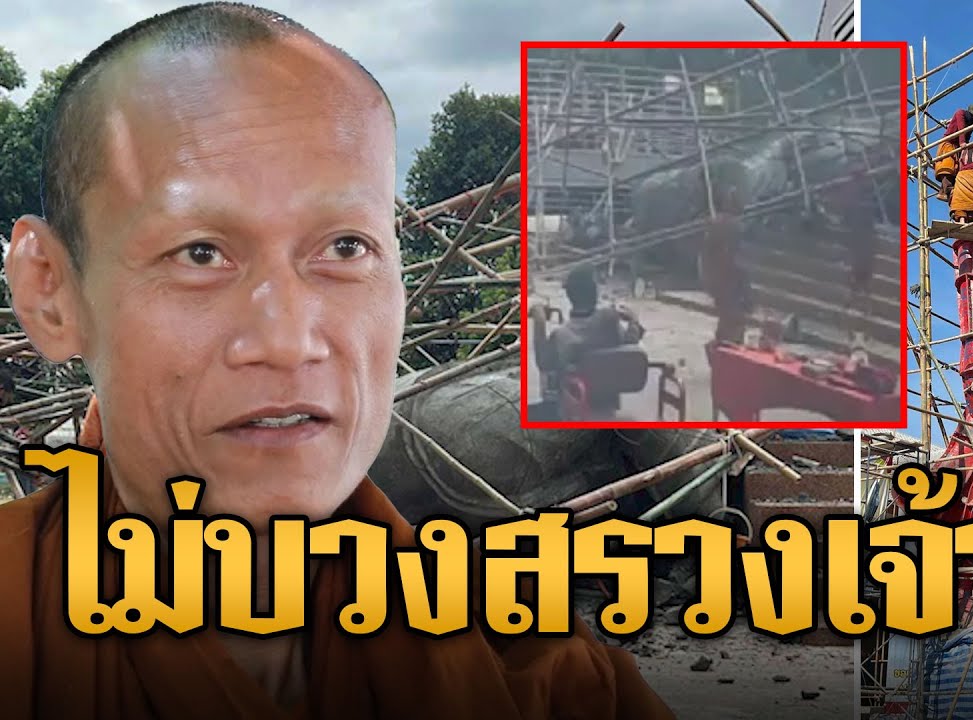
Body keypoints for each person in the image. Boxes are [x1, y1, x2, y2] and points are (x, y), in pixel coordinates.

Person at [0, 4, 674, 719]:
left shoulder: (545, 679)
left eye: (346, 247)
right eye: (200, 253)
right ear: (53, 295)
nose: (292, 341)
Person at [532, 265, 644, 419]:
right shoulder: (609, 321)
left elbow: (544, 363)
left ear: (570, 295)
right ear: (595, 292)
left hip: (573, 410)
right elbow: (630, 341)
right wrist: (633, 320)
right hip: (607, 404)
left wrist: (539, 321)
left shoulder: (561, 335)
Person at [699, 183, 752, 344]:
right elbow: (739, 261)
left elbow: (705, 254)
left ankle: (722, 348)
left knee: (726, 319)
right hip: (730, 278)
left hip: (716, 278)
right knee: (734, 321)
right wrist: (746, 287)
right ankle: (725, 351)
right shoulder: (735, 226)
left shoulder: (714, 223)